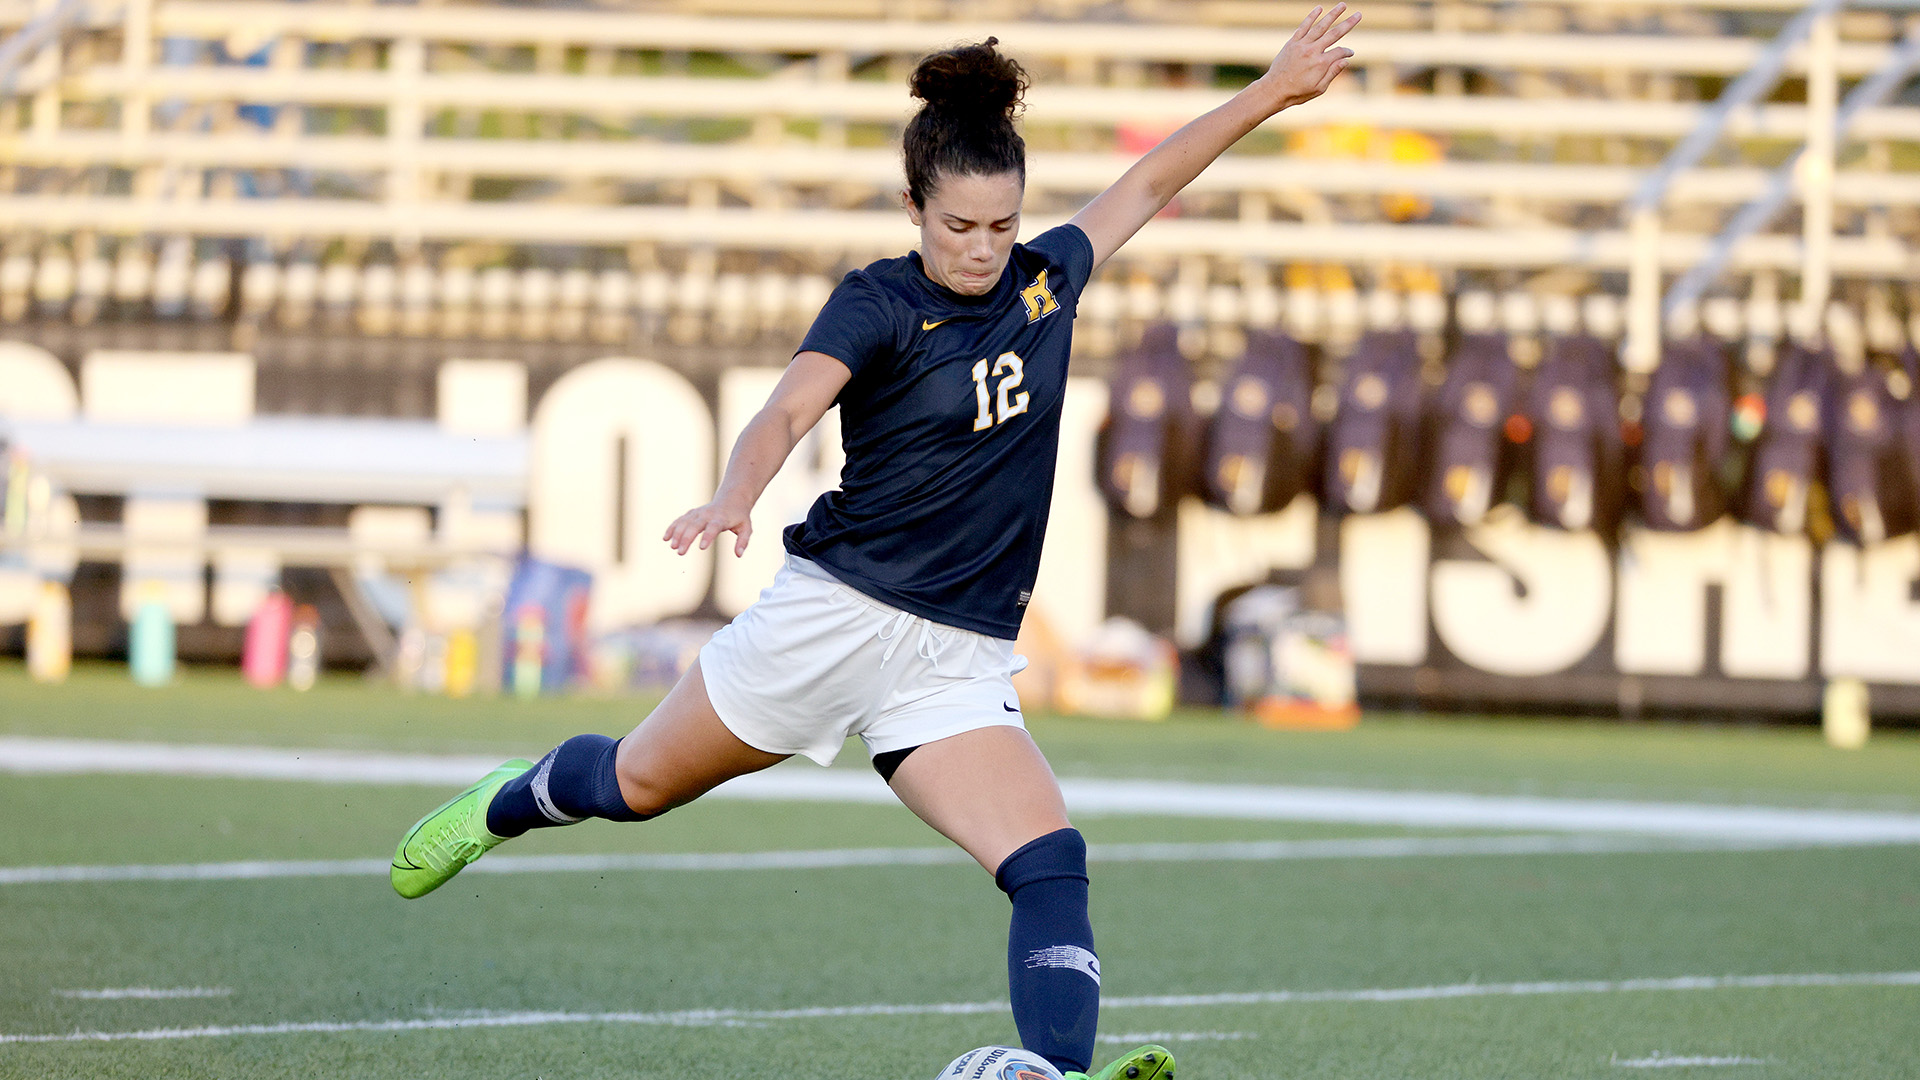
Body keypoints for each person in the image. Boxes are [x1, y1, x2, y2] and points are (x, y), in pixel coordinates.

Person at [390, 11, 1358, 1079]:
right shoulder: (878, 302)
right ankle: (506, 802)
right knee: (635, 784)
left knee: (1050, 862)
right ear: (914, 208)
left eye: (1002, 225)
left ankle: (1054, 1073)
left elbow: (1147, 183)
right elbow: (784, 413)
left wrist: (1272, 90)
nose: (982, 248)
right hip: (834, 617)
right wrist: (733, 495)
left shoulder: (1045, 282)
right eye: (958, 227)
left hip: (956, 659)